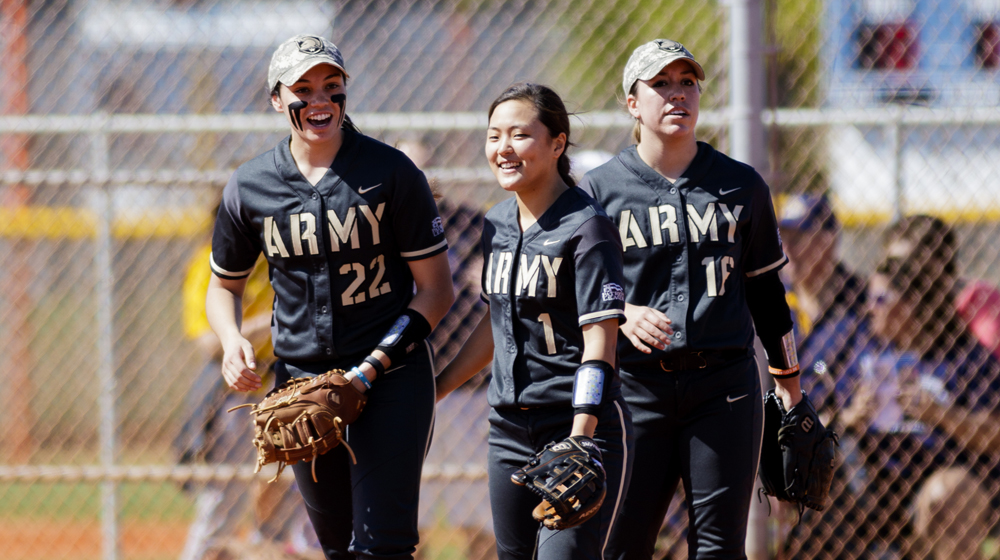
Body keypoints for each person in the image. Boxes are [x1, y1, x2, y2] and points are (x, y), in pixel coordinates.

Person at [205, 34, 455, 560]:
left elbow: (436, 290)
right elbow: (223, 285)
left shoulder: (391, 173)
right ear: (277, 100)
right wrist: (230, 340)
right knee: (337, 547)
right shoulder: (250, 186)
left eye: (331, 86)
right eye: (303, 88)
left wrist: (370, 369)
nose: (319, 99)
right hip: (302, 382)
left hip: (391, 378)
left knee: (385, 545)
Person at [579, 39, 807, 559]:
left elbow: (767, 292)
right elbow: (575, 292)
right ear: (632, 103)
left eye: (687, 83)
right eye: (660, 84)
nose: (677, 94)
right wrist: (623, 312)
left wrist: (790, 385)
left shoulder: (740, 185)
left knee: (718, 550)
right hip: (635, 390)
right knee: (619, 547)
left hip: (722, 388)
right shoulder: (598, 192)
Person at [435, 83, 633, 560]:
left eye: (520, 135)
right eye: (493, 135)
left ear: (557, 143)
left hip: (574, 426)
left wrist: (580, 440)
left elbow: (599, 343)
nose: (503, 148)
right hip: (507, 430)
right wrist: (435, 390)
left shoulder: (587, 227)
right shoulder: (497, 223)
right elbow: (495, 326)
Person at [837, 215, 1000, 558]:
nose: (869, 310)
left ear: (910, 303)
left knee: (949, 493)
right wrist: (852, 416)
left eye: (881, 300)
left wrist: (939, 415)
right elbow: (828, 418)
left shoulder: (963, 355)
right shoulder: (862, 349)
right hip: (873, 483)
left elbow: (994, 432)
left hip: (936, 483)